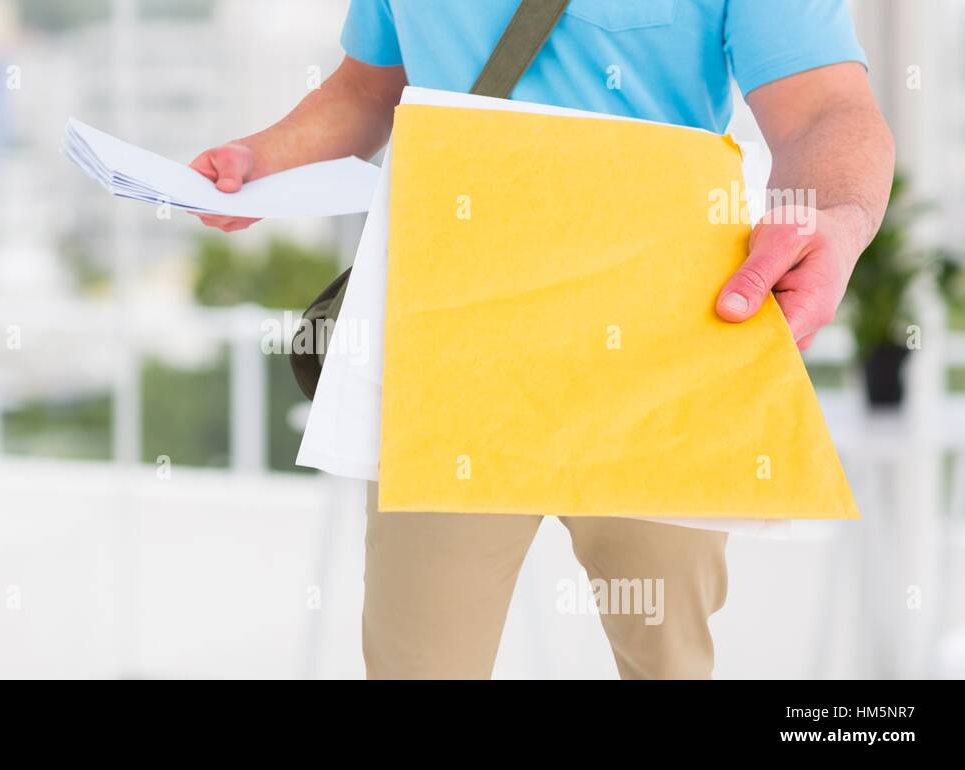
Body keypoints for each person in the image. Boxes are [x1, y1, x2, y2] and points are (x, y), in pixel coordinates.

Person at [189, 0, 894, 679]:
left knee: (668, 663)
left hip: (663, 356)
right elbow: (367, 90)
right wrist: (261, 157)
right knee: (420, 666)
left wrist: (835, 217)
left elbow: (823, 108)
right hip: (451, 350)